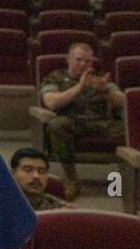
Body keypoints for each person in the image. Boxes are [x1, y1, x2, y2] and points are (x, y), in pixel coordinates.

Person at [40, 42, 125, 200]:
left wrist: (106, 90)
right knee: (57, 125)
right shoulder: (55, 77)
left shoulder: (100, 79)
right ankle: (72, 180)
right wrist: (79, 87)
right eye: (79, 60)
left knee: (133, 131)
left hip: (102, 123)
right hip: (73, 122)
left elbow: (124, 102)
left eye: (88, 61)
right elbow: (51, 102)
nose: (83, 64)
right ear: (68, 59)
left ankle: (131, 184)